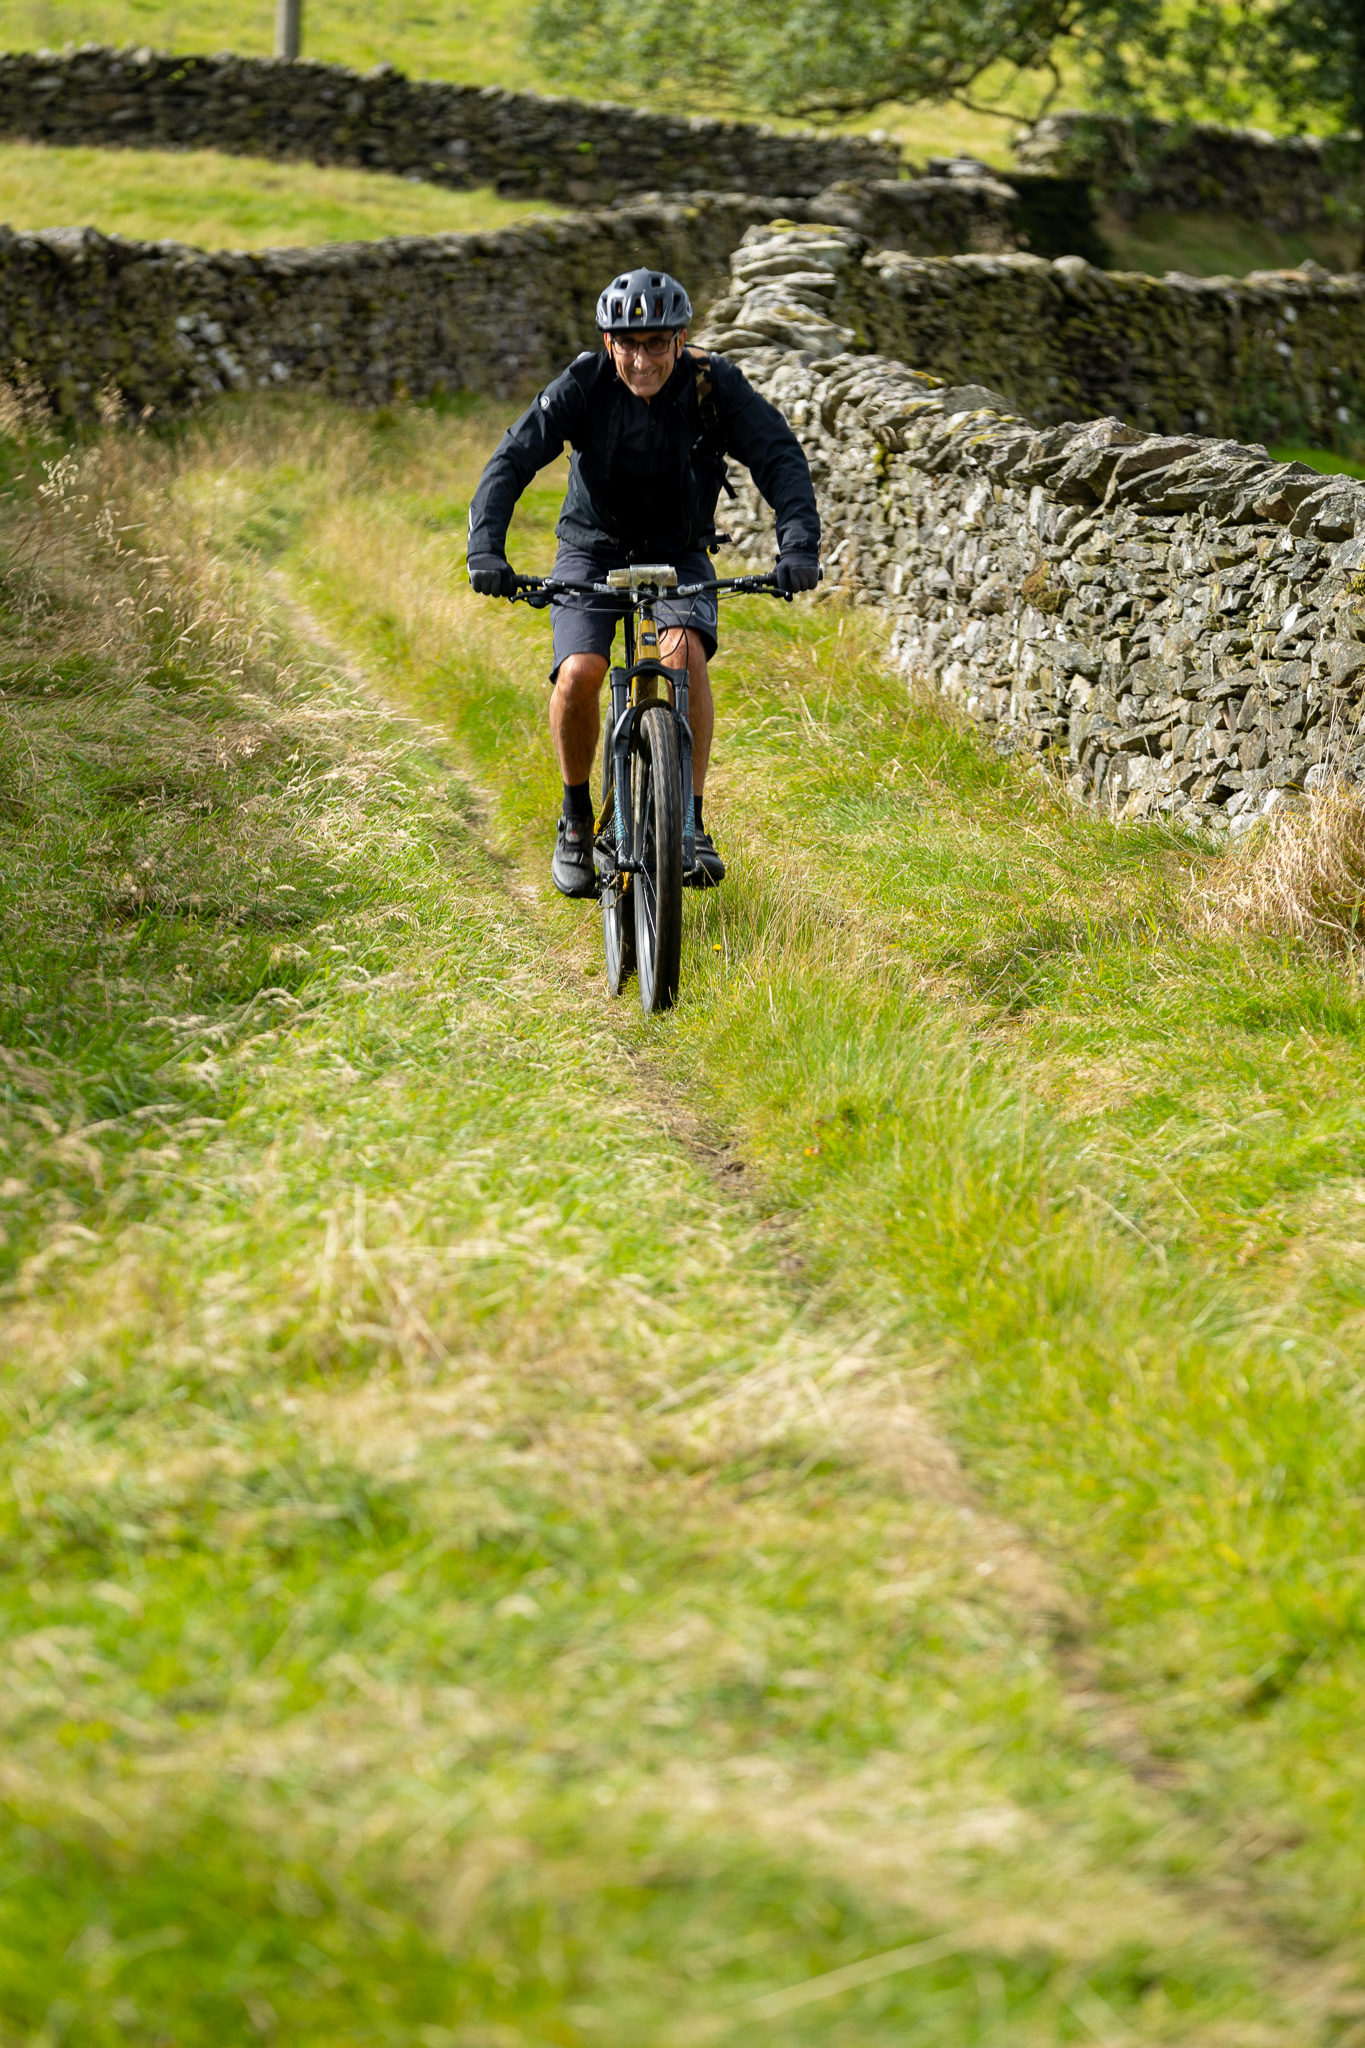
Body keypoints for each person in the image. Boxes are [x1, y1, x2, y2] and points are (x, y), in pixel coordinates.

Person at [465, 266, 821, 897]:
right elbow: (512, 459)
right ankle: (576, 819)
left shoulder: (715, 385)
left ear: (680, 340)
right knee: (580, 672)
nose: (642, 358)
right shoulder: (583, 383)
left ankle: (688, 819)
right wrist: (485, 548)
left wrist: (798, 544)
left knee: (683, 656)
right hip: (591, 547)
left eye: (657, 343)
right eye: (628, 343)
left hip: (679, 550)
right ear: (609, 343)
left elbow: (780, 457)